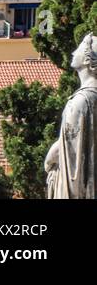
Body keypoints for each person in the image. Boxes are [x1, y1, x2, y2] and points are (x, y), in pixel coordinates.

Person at [46, 33, 97, 198]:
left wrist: (50, 158)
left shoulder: (79, 103)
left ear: (88, 60)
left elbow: (73, 153)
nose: (73, 52)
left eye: (80, 48)